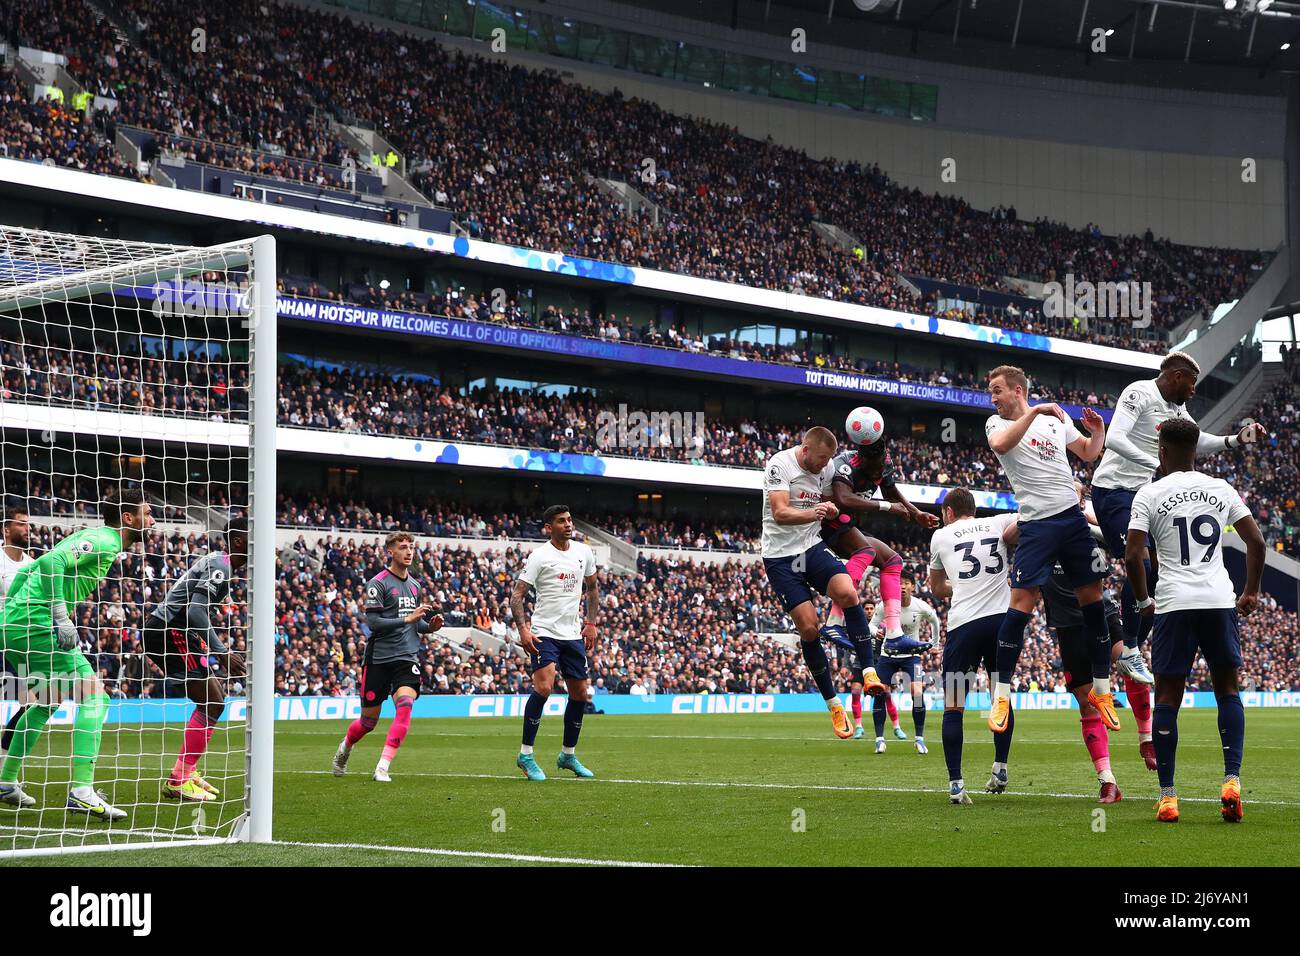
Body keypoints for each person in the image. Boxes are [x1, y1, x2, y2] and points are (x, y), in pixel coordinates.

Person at [1125, 419, 1265, 824]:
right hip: (1218, 599)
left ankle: (1168, 797)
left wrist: (1143, 601)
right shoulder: (1221, 488)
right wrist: (1250, 591)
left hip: (1174, 604)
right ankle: (1232, 781)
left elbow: (1133, 555)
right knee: (1228, 690)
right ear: (1195, 451)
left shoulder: (1149, 493)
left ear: (1162, 453)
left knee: (1168, 698)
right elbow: (1256, 542)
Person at [1091, 350, 1265, 662]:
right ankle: (1129, 648)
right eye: (1193, 383)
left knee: (1157, 575)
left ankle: (1133, 650)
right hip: (1113, 489)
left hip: (1141, 492)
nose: (1194, 390)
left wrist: (1235, 440)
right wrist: (1157, 466)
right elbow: (1114, 438)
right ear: (1177, 376)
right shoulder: (1140, 392)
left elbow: (1196, 440)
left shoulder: (1177, 410)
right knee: (1142, 565)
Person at [0, 488, 154, 819]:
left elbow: (31, 569)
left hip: (13, 625)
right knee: (96, 697)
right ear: (128, 518)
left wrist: (10, 609)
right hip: (37, 625)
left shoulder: (92, 537)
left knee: (47, 701)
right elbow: (52, 561)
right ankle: (82, 791)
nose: (153, 521)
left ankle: (6, 781)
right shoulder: (107, 541)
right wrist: (59, 615)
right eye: (148, 513)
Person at [984, 365, 1115, 733]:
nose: (992, 398)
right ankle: (1002, 695)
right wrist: (1037, 410)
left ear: (1018, 390)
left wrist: (1098, 432)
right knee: (1020, 606)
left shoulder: (1055, 421)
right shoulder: (996, 424)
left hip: (1072, 521)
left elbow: (1087, 453)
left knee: (1093, 601)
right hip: (1036, 525)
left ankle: (1102, 690)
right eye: (991, 392)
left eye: (997, 390)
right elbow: (1001, 446)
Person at [761, 427, 887, 740]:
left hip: (811, 547)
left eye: (828, 460)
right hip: (780, 557)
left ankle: (869, 671)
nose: (824, 465)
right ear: (805, 450)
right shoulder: (780, 464)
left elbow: (831, 499)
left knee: (848, 592)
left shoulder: (827, 466)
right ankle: (833, 704)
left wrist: (830, 508)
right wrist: (815, 512)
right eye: (820, 459)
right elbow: (780, 513)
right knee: (808, 628)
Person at [142, 517, 248, 801]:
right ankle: (179, 779)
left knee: (216, 700)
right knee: (212, 702)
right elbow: (195, 612)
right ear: (239, 541)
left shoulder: (221, 564)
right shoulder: (221, 566)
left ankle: (185, 772)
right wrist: (222, 652)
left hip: (179, 632)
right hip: (169, 631)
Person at [927, 488, 1018, 804]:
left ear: (949, 512)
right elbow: (1030, 519)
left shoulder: (940, 536)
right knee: (1000, 696)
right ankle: (1001, 768)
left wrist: (961, 584)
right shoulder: (998, 522)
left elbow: (937, 589)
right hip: (1002, 623)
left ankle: (956, 785)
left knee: (954, 705)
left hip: (965, 625)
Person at [331, 532, 443, 782]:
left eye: (411, 547)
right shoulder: (378, 583)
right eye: (403, 547)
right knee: (367, 723)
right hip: (379, 658)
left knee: (405, 705)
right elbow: (373, 622)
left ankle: (382, 767)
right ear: (390, 552)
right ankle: (345, 747)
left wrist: (429, 627)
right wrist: (408, 619)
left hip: (406, 657)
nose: (409, 551)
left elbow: (415, 624)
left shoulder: (415, 586)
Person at [821, 419, 938, 654]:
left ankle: (894, 635)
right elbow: (843, 498)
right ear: (862, 459)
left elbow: (890, 490)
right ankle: (834, 622)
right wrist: (887, 507)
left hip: (848, 524)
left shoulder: (884, 462)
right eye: (873, 469)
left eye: (880, 468)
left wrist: (916, 513)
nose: (878, 472)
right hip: (827, 522)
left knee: (893, 560)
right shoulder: (844, 464)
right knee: (865, 551)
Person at [509, 505, 599, 781]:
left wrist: (591, 623)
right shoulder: (540, 556)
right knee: (544, 688)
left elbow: (592, 587)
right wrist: (523, 630)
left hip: (572, 634)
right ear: (549, 527)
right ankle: (526, 755)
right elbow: (517, 595)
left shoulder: (583, 552)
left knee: (580, 694)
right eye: (561, 521)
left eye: (570, 520)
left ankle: (568, 755)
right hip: (544, 632)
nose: (568, 524)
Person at [869, 572, 939, 754]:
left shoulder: (920, 606)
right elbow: (871, 624)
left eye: (906, 583)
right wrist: (875, 632)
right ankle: (879, 739)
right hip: (888, 654)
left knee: (917, 692)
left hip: (911, 655)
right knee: (880, 693)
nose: (902, 586)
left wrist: (935, 645)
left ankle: (919, 739)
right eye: (899, 583)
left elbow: (935, 621)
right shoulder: (885, 605)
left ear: (913, 586)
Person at [0, 507, 35, 757]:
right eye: (21, 523)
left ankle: (3, 754)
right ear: (6, 529)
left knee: (34, 703)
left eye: (28, 524)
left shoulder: (33, 565)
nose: (27, 528)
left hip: (20, 643)